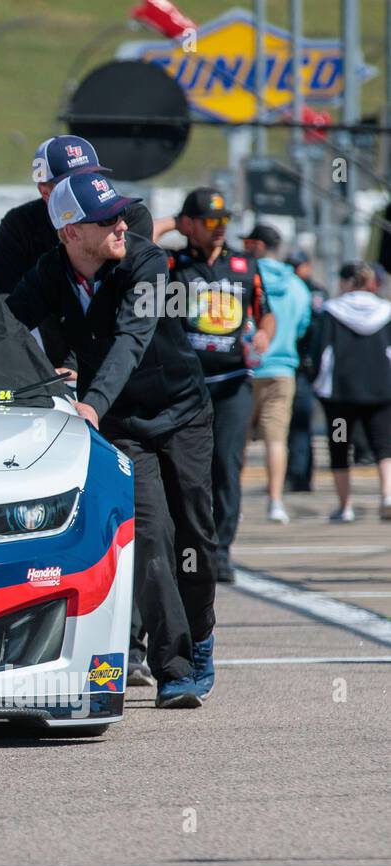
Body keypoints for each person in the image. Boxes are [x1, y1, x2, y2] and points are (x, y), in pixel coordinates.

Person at [5, 172, 216, 708]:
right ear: (71, 232)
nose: (123, 224)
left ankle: (203, 632)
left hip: (181, 412)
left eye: (121, 214)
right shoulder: (48, 274)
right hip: (124, 425)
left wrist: (90, 404)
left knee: (196, 535)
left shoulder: (148, 262)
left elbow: (132, 340)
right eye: (108, 219)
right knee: (149, 535)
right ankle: (174, 667)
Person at [167, 188, 275, 583]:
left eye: (223, 221)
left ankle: (221, 551)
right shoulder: (171, 264)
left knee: (226, 467)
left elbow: (265, 316)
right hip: (186, 384)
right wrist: (170, 224)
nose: (218, 229)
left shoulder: (245, 266)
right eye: (209, 221)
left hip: (232, 383)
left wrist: (263, 337)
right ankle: (187, 547)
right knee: (184, 470)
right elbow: (140, 241)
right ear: (189, 224)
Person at [0, 135, 166, 297]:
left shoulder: (131, 215)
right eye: (72, 181)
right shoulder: (20, 223)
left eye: (92, 175)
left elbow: (128, 288)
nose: (88, 185)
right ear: (45, 192)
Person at [306, 261, 391, 521]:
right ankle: (388, 495)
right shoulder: (386, 311)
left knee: (341, 445)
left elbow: (320, 353)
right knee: (384, 445)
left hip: (341, 395)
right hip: (381, 390)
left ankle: (345, 507)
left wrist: (317, 385)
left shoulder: (331, 312)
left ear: (345, 282)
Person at [241, 224, 311, 524]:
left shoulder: (245, 275)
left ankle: (236, 503)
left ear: (255, 245)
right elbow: (302, 326)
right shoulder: (297, 284)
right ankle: (275, 502)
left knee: (237, 441)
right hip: (283, 369)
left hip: (243, 368)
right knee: (276, 439)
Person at [285, 250, 326, 492]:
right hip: (295, 365)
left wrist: (313, 364)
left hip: (305, 367)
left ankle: (300, 475)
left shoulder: (313, 293)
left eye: (297, 265)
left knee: (301, 424)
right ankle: (296, 474)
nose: (293, 270)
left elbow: (318, 332)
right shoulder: (291, 290)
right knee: (293, 425)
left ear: (308, 266)